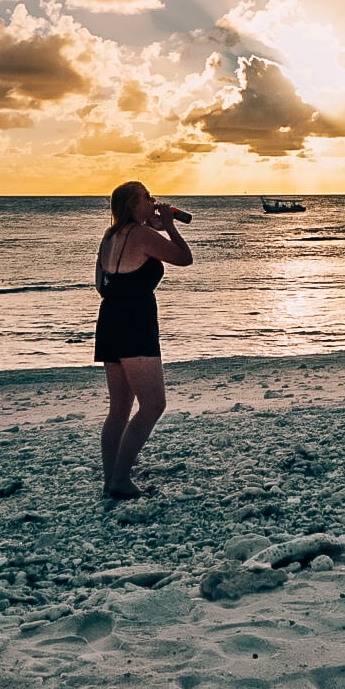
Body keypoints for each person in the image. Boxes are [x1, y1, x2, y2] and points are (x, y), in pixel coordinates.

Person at [94, 181, 193, 499]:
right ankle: (121, 480)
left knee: (119, 408)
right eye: (146, 197)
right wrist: (170, 226)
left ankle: (112, 480)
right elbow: (184, 258)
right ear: (132, 205)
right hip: (135, 322)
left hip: (109, 319)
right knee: (153, 404)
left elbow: (101, 284)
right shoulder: (141, 235)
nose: (153, 201)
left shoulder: (110, 236)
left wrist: (153, 227)